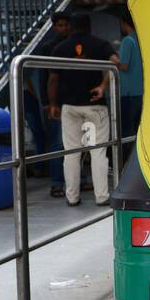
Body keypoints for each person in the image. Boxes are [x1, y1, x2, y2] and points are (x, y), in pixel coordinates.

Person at [47, 13, 116, 207]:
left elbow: (53, 79)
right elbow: (115, 63)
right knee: (98, 152)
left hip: (70, 108)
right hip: (94, 106)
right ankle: (101, 196)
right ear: (90, 26)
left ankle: (72, 197)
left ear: (70, 27)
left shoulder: (59, 48)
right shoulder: (100, 45)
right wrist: (102, 86)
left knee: (71, 152)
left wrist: (52, 104)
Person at [30, 11, 70, 196]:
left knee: (77, 142)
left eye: (65, 24)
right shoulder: (48, 47)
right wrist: (46, 102)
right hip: (56, 102)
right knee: (57, 143)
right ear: (54, 27)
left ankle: (78, 180)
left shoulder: (72, 44)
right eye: (60, 25)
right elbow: (44, 77)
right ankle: (56, 182)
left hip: (72, 100)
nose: (63, 28)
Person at [116, 10, 143, 161]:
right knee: (138, 132)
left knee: (126, 133)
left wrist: (113, 61)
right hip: (141, 93)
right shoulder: (141, 40)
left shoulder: (128, 41)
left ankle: (125, 163)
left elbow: (124, 66)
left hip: (128, 93)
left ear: (124, 23)